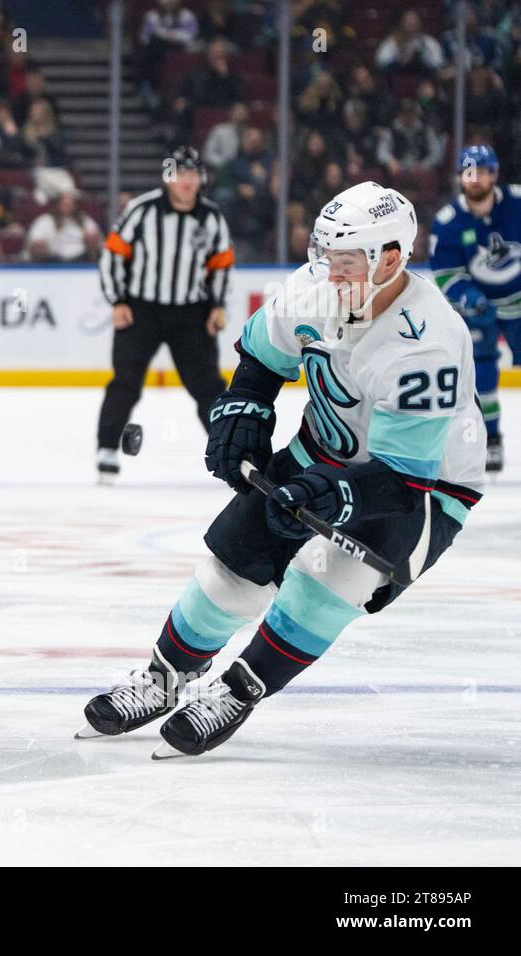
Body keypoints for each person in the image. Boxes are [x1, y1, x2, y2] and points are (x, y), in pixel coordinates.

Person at [80, 182, 485, 757]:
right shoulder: (316, 287)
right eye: (324, 256)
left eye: (345, 261)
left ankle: (240, 690)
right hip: (327, 447)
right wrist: (244, 410)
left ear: (390, 259)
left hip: (423, 486)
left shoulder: (427, 345)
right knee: (235, 560)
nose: (329, 273)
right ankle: (164, 676)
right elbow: (263, 360)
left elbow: (399, 483)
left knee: (329, 576)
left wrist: (333, 495)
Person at [96, 146, 233, 482]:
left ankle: (230, 453)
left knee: (207, 387)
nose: (186, 181)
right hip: (140, 310)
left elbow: (220, 265)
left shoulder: (211, 217)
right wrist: (117, 301)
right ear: (168, 178)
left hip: (191, 313)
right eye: (179, 174)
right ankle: (107, 449)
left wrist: (217, 306)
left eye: (192, 174)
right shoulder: (141, 210)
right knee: (125, 382)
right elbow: (112, 255)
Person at [430, 145, 521, 473]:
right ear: (459, 178)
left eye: (482, 171)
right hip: (480, 309)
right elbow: (446, 275)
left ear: (494, 174)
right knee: (482, 374)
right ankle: (492, 439)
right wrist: (470, 298)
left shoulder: (517, 203)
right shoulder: (448, 223)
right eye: (469, 173)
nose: (475, 178)